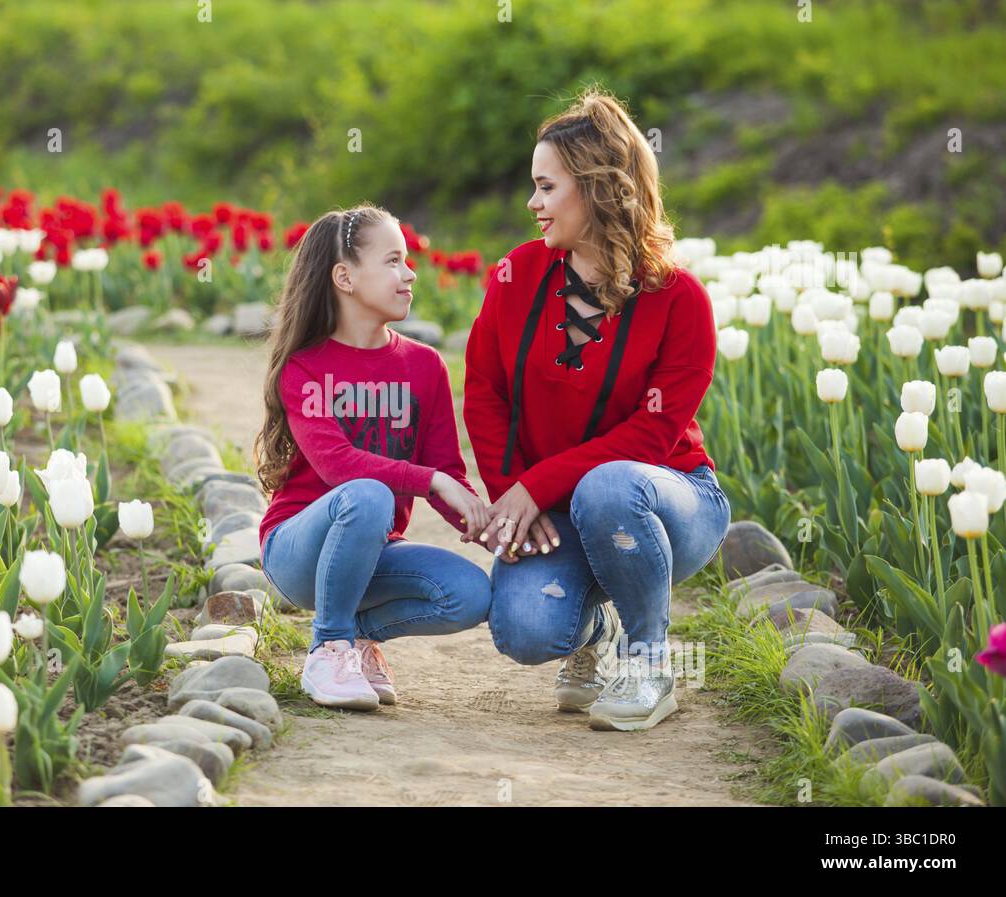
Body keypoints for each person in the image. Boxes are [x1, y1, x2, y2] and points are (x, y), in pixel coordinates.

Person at [463, 89, 731, 732]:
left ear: (596, 189)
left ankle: (649, 662)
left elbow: (652, 434)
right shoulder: (515, 276)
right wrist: (512, 501)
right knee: (524, 630)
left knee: (607, 487)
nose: (533, 204)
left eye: (546, 187)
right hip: (553, 511)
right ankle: (595, 631)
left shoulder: (679, 298)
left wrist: (539, 483)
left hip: (667, 501)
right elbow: (484, 392)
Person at [255, 203, 492, 711]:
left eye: (407, 261)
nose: (409, 274)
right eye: (393, 261)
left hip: (374, 550)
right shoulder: (306, 367)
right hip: (298, 552)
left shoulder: (424, 366)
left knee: (471, 594)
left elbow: (447, 473)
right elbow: (340, 467)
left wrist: (490, 527)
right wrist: (428, 481)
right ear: (344, 276)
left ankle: (359, 639)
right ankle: (328, 649)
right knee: (366, 494)